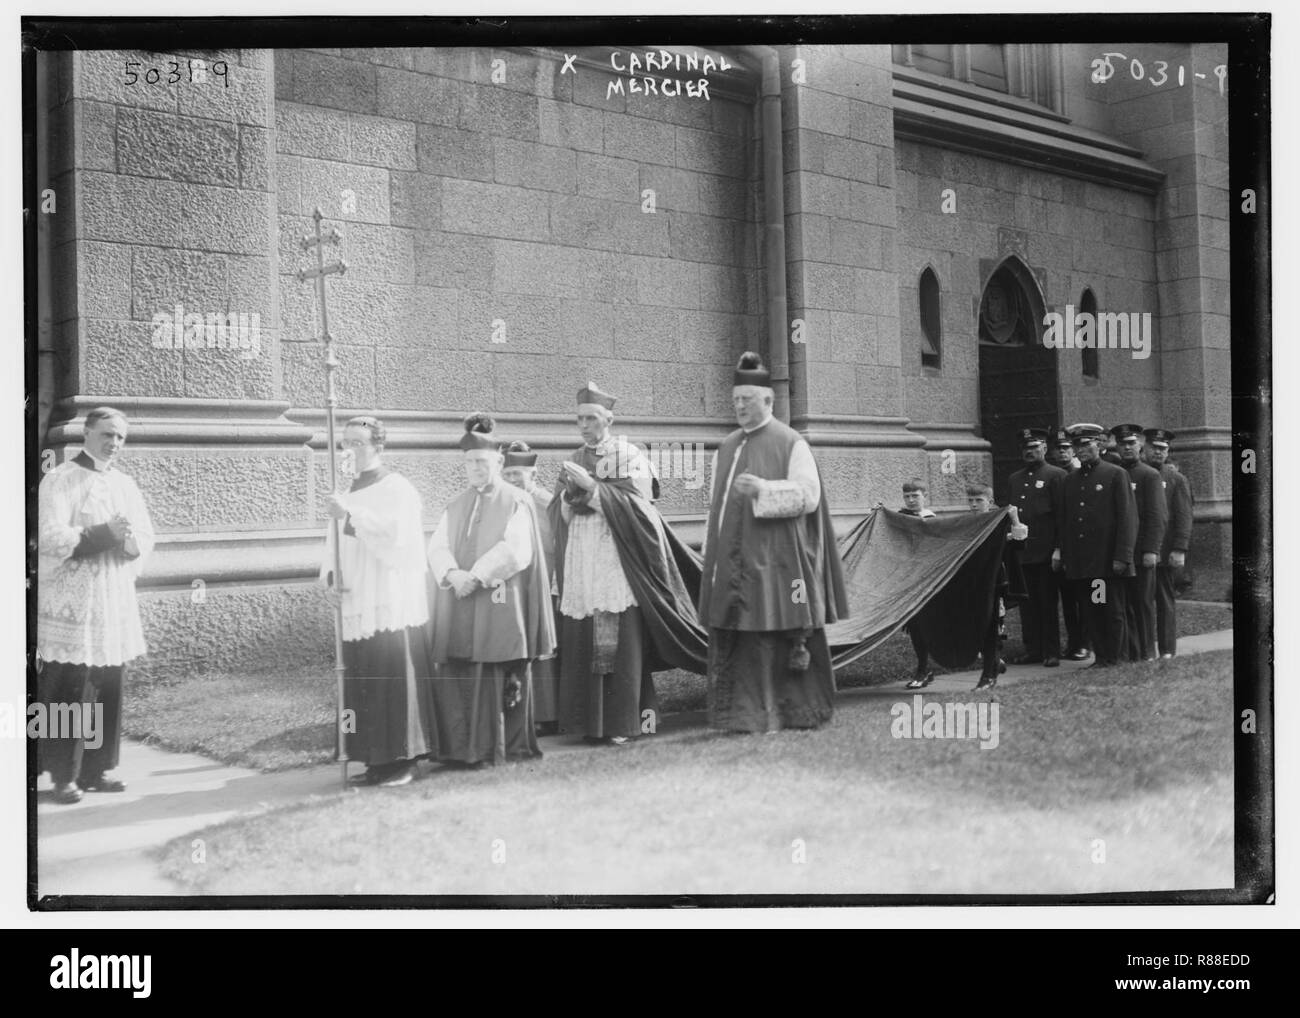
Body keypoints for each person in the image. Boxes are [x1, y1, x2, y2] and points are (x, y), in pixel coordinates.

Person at [549, 383, 708, 746]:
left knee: (615, 637)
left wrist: (592, 490)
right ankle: (589, 722)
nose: (584, 426)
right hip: (582, 558)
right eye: (580, 419)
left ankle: (622, 719)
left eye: (591, 418)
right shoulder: (574, 456)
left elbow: (641, 508)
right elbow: (558, 510)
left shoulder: (629, 455)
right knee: (585, 634)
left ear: (609, 419)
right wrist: (566, 501)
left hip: (615, 560)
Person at [698, 352, 848, 733]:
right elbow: (715, 507)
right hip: (733, 561)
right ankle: (740, 718)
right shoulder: (727, 446)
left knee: (775, 632)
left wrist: (763, 490)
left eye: (747, 400)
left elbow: (809, 496)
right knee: (739, 634)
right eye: (735, 401)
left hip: (781, 563)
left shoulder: (791, 442)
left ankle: (792, 714)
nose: (740, 407)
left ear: (768, 400)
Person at [37, 407, 156, 804]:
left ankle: (96, 769)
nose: (114, 443)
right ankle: (62, 775)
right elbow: (51, 536)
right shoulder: (61, 479)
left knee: (107, 683)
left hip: (112, 597)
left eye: (120, 437)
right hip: (75, 600)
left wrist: (127, 541)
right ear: (86, 433)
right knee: (70, 686)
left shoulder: (125, 484)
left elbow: (145, 537)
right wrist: (103, 533)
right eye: (107, 434)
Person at [426, 414, 556, 766]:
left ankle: (495, 749)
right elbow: (437, 546)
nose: (475, 469)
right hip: (460, 598)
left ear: (498, 462)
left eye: (481, 462)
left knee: (495, 667)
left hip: (499, 597)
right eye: (469, 462)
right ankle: (460, 750)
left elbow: (517, 551)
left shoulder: (516, 499)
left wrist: (476, 575)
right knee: (458, 667)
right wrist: (452, 573)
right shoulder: (456, 504)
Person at [322, 416, 437, 788]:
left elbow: (398, 539)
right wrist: (330, 577)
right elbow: (333, 542)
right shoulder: (346, 490)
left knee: (392, 679)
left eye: (358, 443)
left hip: (388, 598)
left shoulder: (396, 487)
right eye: (345, 443)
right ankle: (374, 759)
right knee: (362, 680)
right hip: (356, 595)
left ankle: (403, 759)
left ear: (378, 447)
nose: (349, 450)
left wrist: (351, 515)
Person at [1052, 423, 1137, 667]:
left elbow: (1127, 519)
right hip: (1082, 562)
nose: (1081, 450)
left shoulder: (1115, 474)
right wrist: (1067, 556)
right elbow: (1066, 522)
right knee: (1091, 611)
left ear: (1098, 445)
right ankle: (1101, 657)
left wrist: (1122, 555)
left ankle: (1117, 657)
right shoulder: (1070, 481)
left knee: (1111, 611)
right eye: (1078, 445)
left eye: (1086, 444)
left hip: (1106, 561)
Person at [502, 440, 559, 733]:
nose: (512, 480)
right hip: (513, 584)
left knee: (541, 644)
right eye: (507, 474)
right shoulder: (503, 502)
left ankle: (545, 716)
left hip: (543, 580)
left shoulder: (546, 502)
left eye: (517, 474)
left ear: (533, 475)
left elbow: (556, 546)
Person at [1005, 428, 1067, 668]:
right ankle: (1033, 649)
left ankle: (1052, 651)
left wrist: (1059, 549)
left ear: (1044, 448)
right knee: (1027, 604)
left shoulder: (1057, 475)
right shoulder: (1015, 479)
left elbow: (1062, 516)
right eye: (1026, 448)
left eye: (1035, 447)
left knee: (1047, 604)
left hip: (1046, 553)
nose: (1030, 452)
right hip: (1023, 553)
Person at [1112, 424, 1168, 663]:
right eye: (1122, 444)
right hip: (1120, 551)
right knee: (1123, 605)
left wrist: (1151, 550)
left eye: (1131, 443)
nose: (1127, 448)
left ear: (1140, 446)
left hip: (1141, 551)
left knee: (1142, 603)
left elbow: (1157, 516)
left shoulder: (1149, 475)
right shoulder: (1114, 473)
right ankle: (1129, 652)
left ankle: (1146, 653)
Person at [966, 482, 1026, 690]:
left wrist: (1015, 519)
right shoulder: (967, 524)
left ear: (989, 502)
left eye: (979, 501)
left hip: (995, 584)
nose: (974, 505)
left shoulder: (1000, 522)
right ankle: (994, 662)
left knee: (991, 629)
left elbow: (1019, 544)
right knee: (978, 630)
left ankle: (988, 676)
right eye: (971, 501)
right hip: (974, 585)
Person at [1144, 428, 1193, 658]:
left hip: (1165, 551)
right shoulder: (1134, 474)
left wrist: (1179, 549)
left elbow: (1184, 516)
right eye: (1154, 447)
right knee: (1141, 602)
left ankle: (1167, 650)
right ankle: (1144, 650)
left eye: (1163, 449)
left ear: (1168, 451)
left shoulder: (1176, 479)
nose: (1158, 452)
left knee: (1164, 601)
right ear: (1145, 448)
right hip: (1140, 551)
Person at [1047, 426, 1088, 660]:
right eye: (1058, 449)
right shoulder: (1055, 476)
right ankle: (1074, 643)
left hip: (1086, 551)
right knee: (1069, 601)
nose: (1062, 453)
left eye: (1066, 448)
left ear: (1073, 451)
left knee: (1092, 598)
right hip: (1065, 550)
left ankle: (1088, 642)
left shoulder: (1083, 474)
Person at [898, 479, 938, 689]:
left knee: (926, 627)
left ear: (925, 496)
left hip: (927, 581)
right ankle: (924, 669)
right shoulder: (901, 517)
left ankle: (924, 669)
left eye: (916, 496)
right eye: (907, 496)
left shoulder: (931, 519)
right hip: (908, 581)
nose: (911, 500)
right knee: (916, 628)